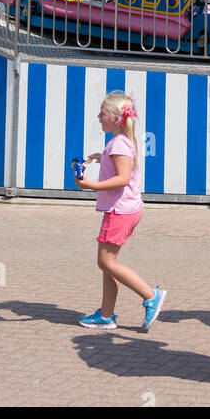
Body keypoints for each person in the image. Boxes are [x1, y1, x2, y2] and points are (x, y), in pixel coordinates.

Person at [74, 93, 165, 331]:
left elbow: (123, 178)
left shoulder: (119, 144)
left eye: (102, 113)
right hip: (123, 210)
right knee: (109, 262)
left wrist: (90, 185)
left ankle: (149, 295)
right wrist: (100, 156)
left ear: (115, 118)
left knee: (105, 261)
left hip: (120, 212)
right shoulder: (119, 141)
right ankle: (106, 315)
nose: (98, 117)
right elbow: (118, 165)